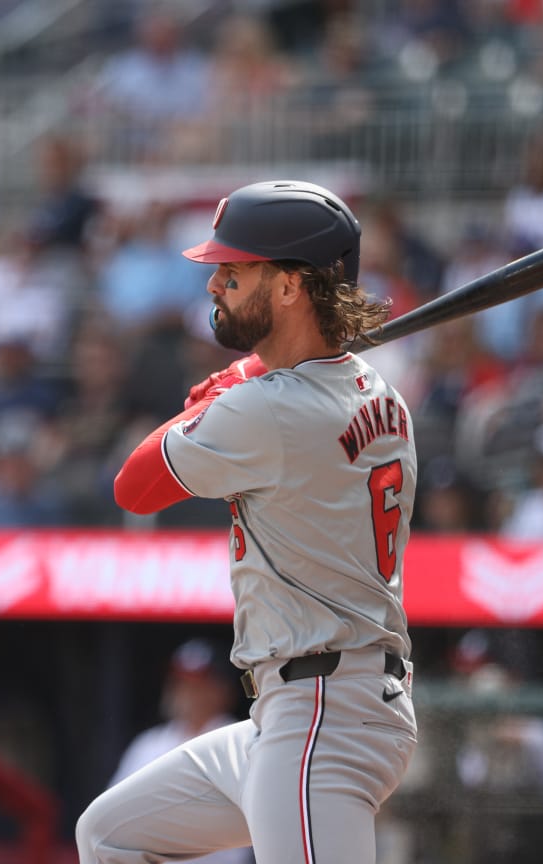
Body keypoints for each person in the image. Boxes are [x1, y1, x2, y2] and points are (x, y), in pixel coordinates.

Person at [81, 180, 417, 863]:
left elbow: (135, 486)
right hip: (316, 703)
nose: (215, 286)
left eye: (234, 273)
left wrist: (224, 391)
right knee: (111, 834)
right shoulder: (381, 394)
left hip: (322, 709)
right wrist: (249, 381)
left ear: (291, 287)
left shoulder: (267, 408)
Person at [107, 640, 250, 864]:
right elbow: (111, 814)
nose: (188, 694)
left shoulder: (241, 742)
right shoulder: (149, 744)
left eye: (199, 685)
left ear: (223, 690)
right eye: (182, 684)